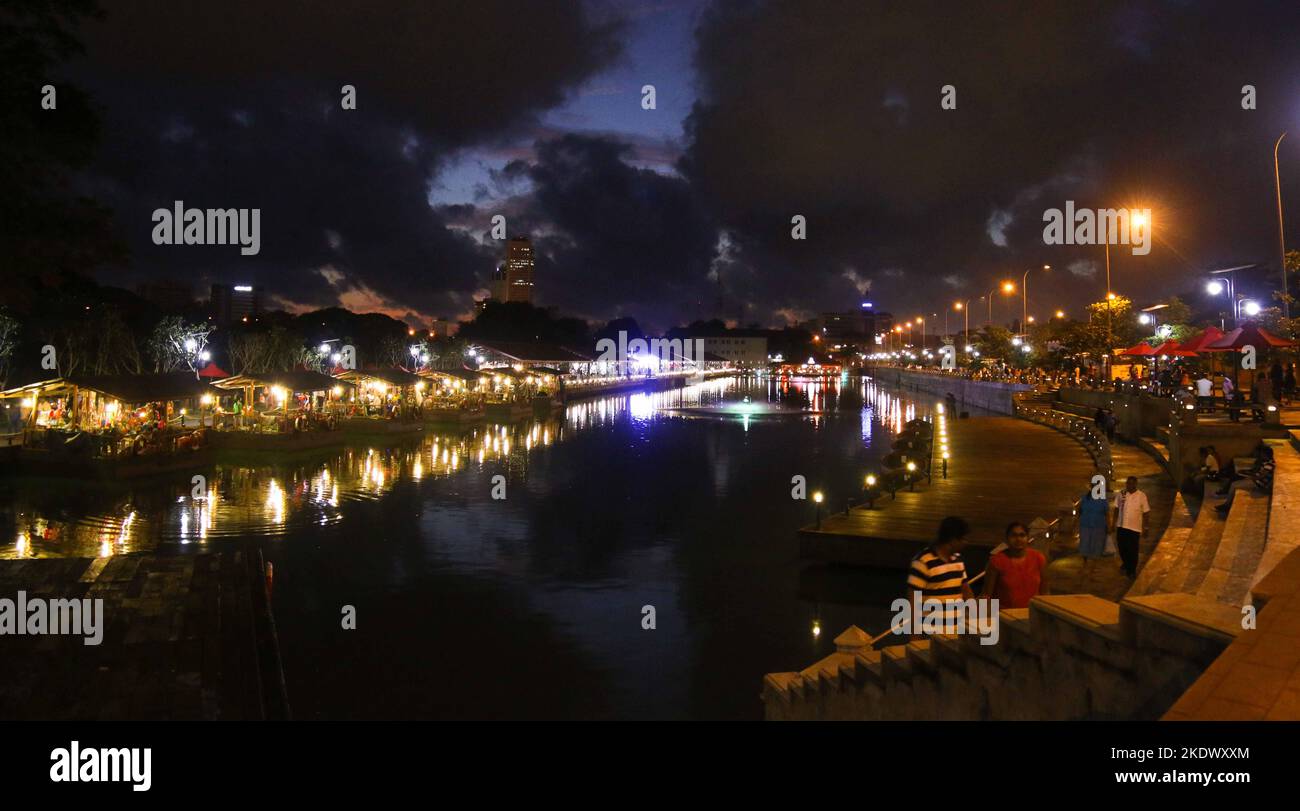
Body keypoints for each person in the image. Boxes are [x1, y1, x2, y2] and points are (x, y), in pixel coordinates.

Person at [906, 516, 974, 630]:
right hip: (932, 632)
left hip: (955, 630)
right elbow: (913, 603)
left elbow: (966, 590)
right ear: (953, 540)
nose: (966, 543)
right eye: (964, 539)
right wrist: (915, 635)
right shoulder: (923, 562)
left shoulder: (957, 560)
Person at [981, 522, 1049, 609]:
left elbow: (1045, 591)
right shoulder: (997, 561)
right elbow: (987, 594)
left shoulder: (1038, 558)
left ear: (1028, 538)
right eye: (1014, 536)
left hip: (1032, 612)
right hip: (1005, 613)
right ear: (1007, 539)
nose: (1018, 539)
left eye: (1022, 535)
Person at [1112, 476, 1149, 579]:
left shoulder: (1141, 496)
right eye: (1128, 483)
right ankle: (1126, 562)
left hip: (1134, 528)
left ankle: (1131, 570)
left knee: (1133, 550)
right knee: (1122, 548)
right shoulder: (1121, 494)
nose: (1129, 485)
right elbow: (1116, 508)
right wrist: (1113, 523)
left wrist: (1146, 527)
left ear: (1136, 484)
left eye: (1131, 483)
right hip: (1121, 526)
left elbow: (1146, 512)